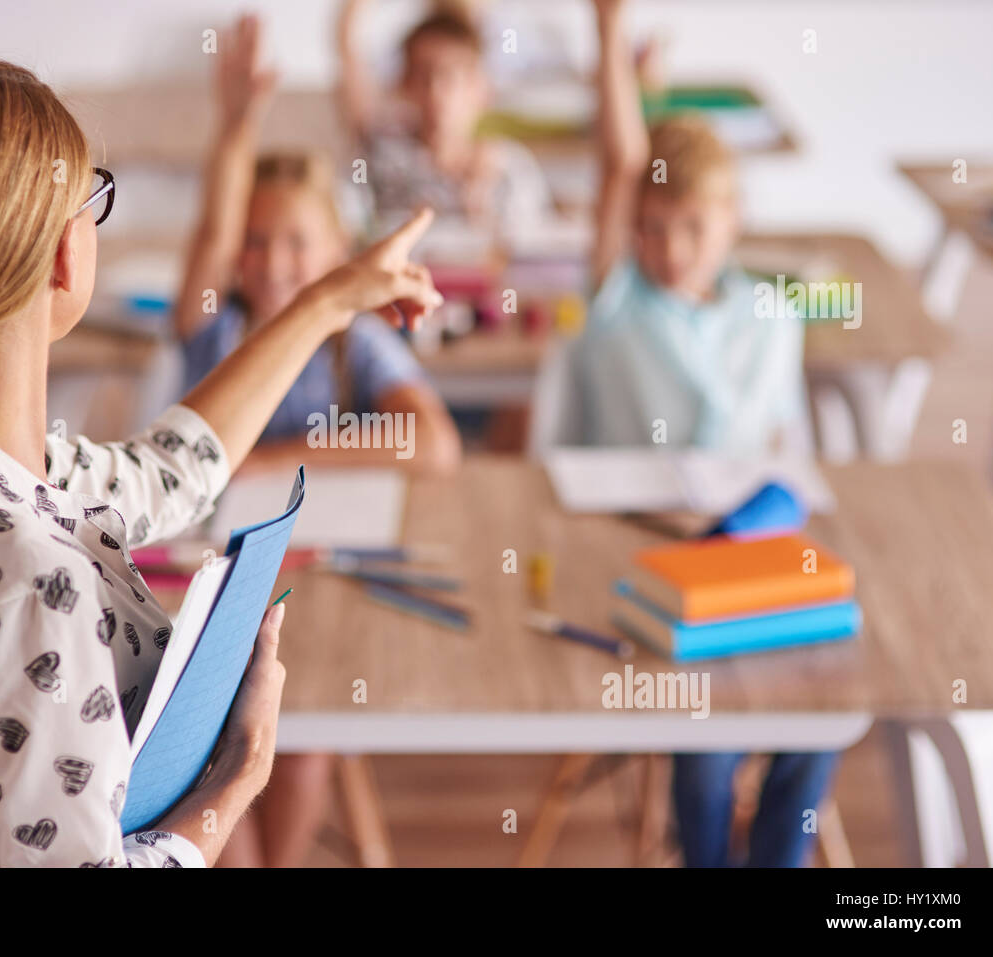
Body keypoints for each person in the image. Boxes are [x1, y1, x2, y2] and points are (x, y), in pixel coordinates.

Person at [0, 57, 442, 868]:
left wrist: (327, 301)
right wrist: (235, 781)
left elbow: (168, 470)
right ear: (66, 257)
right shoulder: (38, 582)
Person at [542, 0, 832, 866]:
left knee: (822, 712)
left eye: (693, 228)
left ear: (734, 221)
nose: (670, 249)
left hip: (743, 552)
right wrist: (609, 44)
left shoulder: (768, 315)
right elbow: (622, 163)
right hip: (635, 550)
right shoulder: (617, 301)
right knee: (704, 725)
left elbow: (786, 446)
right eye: (653, 228)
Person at [174, 14, 462, 478]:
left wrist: (271, 461)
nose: (272, 262)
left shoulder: (358, 341)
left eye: (297, 243)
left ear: (338, 250)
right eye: (253, 240)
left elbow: (434, 443)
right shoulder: (213, 328)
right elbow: (214, 234)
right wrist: (236, 126)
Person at [337, 0, 552, 231]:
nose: (436, 92)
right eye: (423, 76)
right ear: (404, 84)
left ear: (480, 87)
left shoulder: (510, 170)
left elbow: (530, 251)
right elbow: (349, 230)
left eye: (451, 76)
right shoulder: (377, 159)